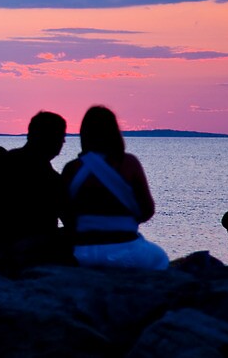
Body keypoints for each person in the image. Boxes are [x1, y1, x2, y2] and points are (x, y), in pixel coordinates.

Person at [62, 105, 169, 270]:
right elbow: (147, 210)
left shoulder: (72, 168)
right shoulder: (129, 164)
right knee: (160, 258)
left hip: (83, 253)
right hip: (125, 250)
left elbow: (66, 214)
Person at [0, 111, 70, 264]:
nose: (63, 142)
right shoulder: (50, 178)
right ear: (51, 138)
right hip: (32, 254)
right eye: (61, 137)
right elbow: (69, 220)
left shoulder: (4, 164)